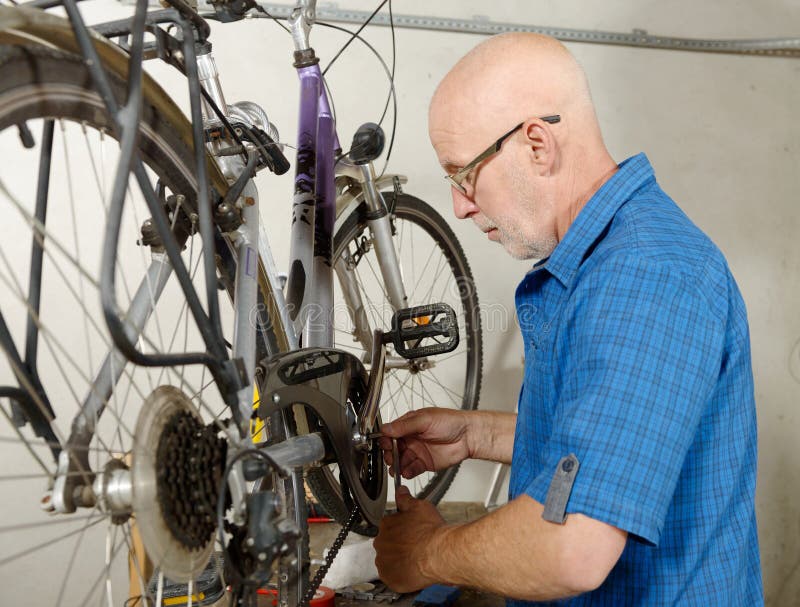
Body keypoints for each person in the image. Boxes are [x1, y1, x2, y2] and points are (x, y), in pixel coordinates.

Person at [373, 32, 762, 606]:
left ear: (536, 144)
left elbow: (571, 548)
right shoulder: (608, 259)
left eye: (463, 174)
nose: (459, 204)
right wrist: (475, 434)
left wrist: (427, 553)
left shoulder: (646, 275)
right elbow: (618, 437)